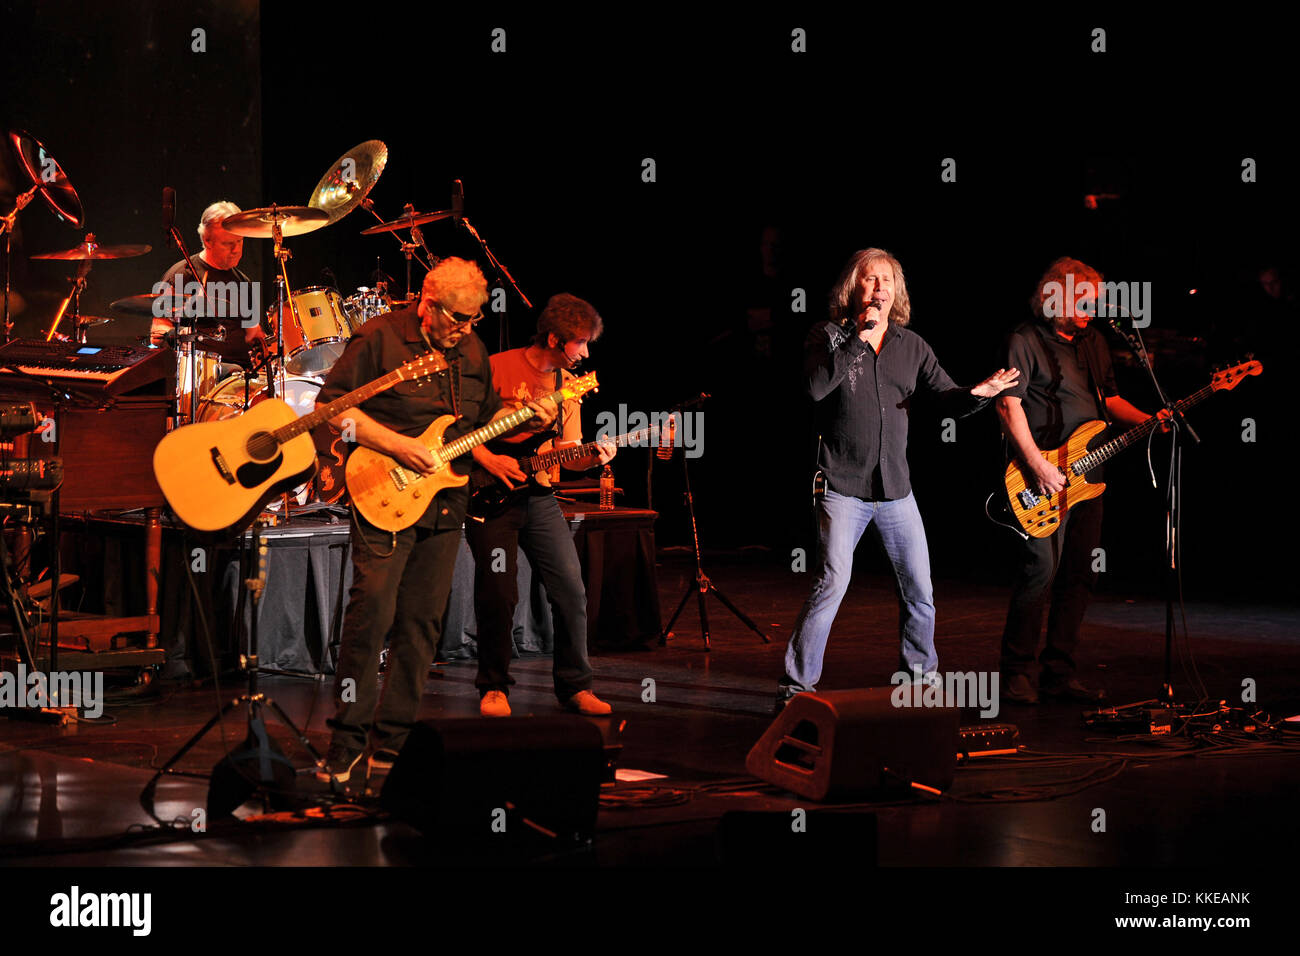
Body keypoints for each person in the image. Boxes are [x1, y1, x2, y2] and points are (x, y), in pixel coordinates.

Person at [313, 257, 546, 783]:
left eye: (474, 319)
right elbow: (332, 409)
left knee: (422, 625)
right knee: (372, 614)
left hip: (446, 502)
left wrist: (530, 416)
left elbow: (482, 425)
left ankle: (390, 746)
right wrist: (396, 444)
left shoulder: (472, 350)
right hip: (383, 494)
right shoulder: (378, 338)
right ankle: (346, 744)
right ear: (427, 303)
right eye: (459, 318)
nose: (466, 328)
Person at [776, 248, 1019, 708]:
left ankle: (919, 684)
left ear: (897, 292)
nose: (879, 288)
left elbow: (947, 396)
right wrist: (856, 339)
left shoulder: (912, 346)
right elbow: (814, 389)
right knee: (832, 584)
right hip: (841, 486)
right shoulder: (826, 336)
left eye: (887, 280)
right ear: (854, 289)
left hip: (895, 491)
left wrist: (978, 394)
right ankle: (795, 689)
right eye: (870, 280)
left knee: (921, 591)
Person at [996, 257, 1168, 704]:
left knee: (1080, 574)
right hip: (1040, 474)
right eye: (1082, 298)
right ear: (1053, 296)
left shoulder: (1094, 341)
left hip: (1090, 473)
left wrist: (1152, 419)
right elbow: (1007, 405)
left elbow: (1109, 400)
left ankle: (1058, 674)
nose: (1091, 306)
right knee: (1041, 571)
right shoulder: (1025, 339)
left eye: (1094, 299)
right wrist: (1037, 464)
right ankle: (1016, 673)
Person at [466, 293, 615, 718]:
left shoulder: (569, 388)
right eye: (581, 343)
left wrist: (594, 455)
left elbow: (568, 450)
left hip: (540, 496)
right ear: (555, 338)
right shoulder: (496, 366)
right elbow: (459, 429)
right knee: (498, 592)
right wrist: (490, 458)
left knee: (570, 589)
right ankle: (493, 688)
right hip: (489, 494)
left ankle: (576, 686)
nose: (585, 353)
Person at [154, 200, 266, 366]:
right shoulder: (182, 275)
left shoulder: (244, 281)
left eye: (240, 241)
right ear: (207, 240)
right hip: (204, 373)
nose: (236, 250)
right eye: (228, 243)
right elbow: (157, 333)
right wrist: (174, 335)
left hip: (244, 374)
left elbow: (253, 334)